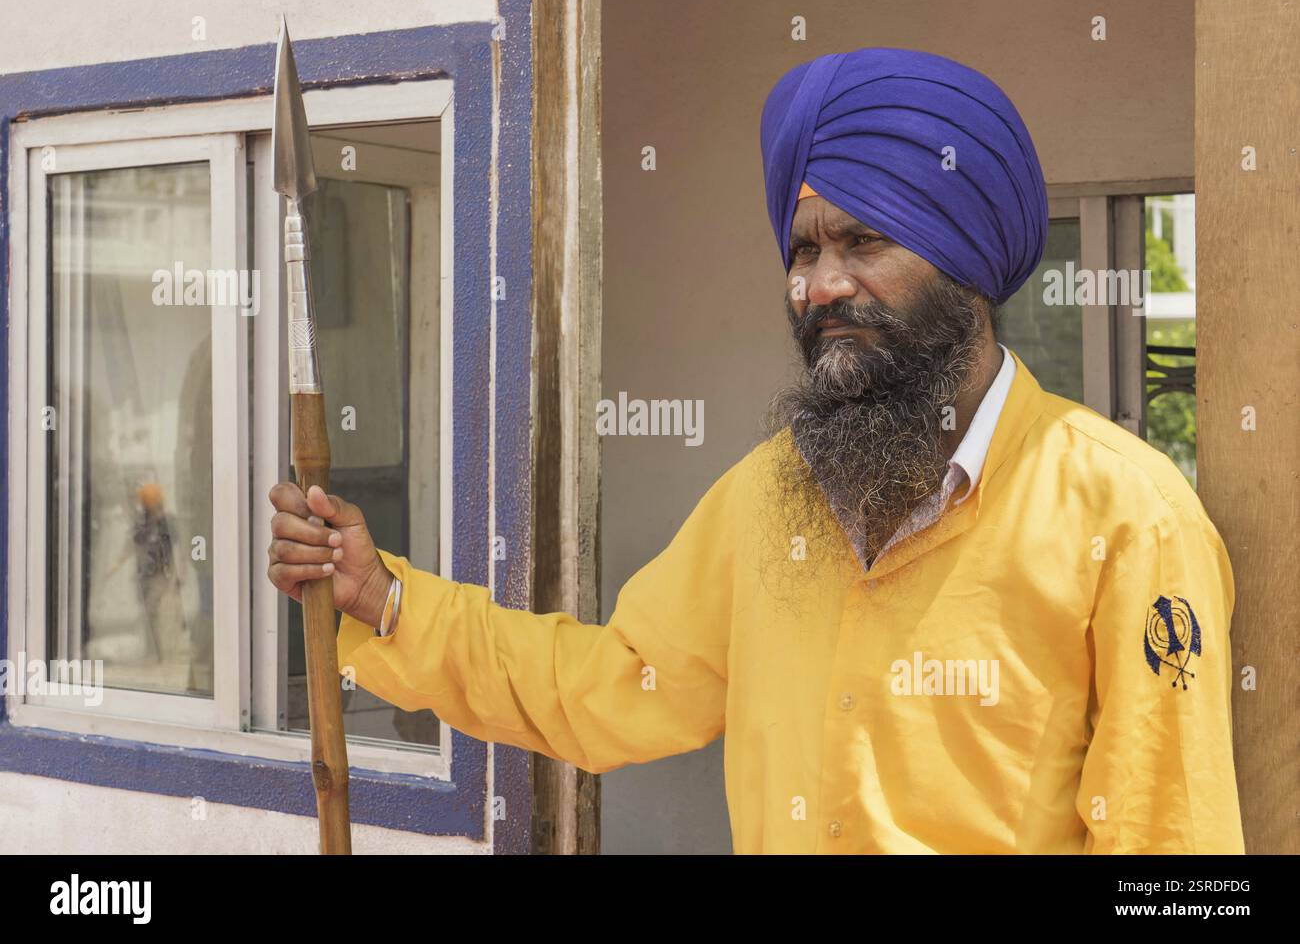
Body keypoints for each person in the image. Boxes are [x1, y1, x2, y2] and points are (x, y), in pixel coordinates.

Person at [267, 47, 1242, 854]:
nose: (819, 285)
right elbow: (606, 688)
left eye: (860, 243)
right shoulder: (770, 497)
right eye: (801, 251)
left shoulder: (1128, 518)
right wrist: (384, 598)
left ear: (966, 265)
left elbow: (1172, 847)